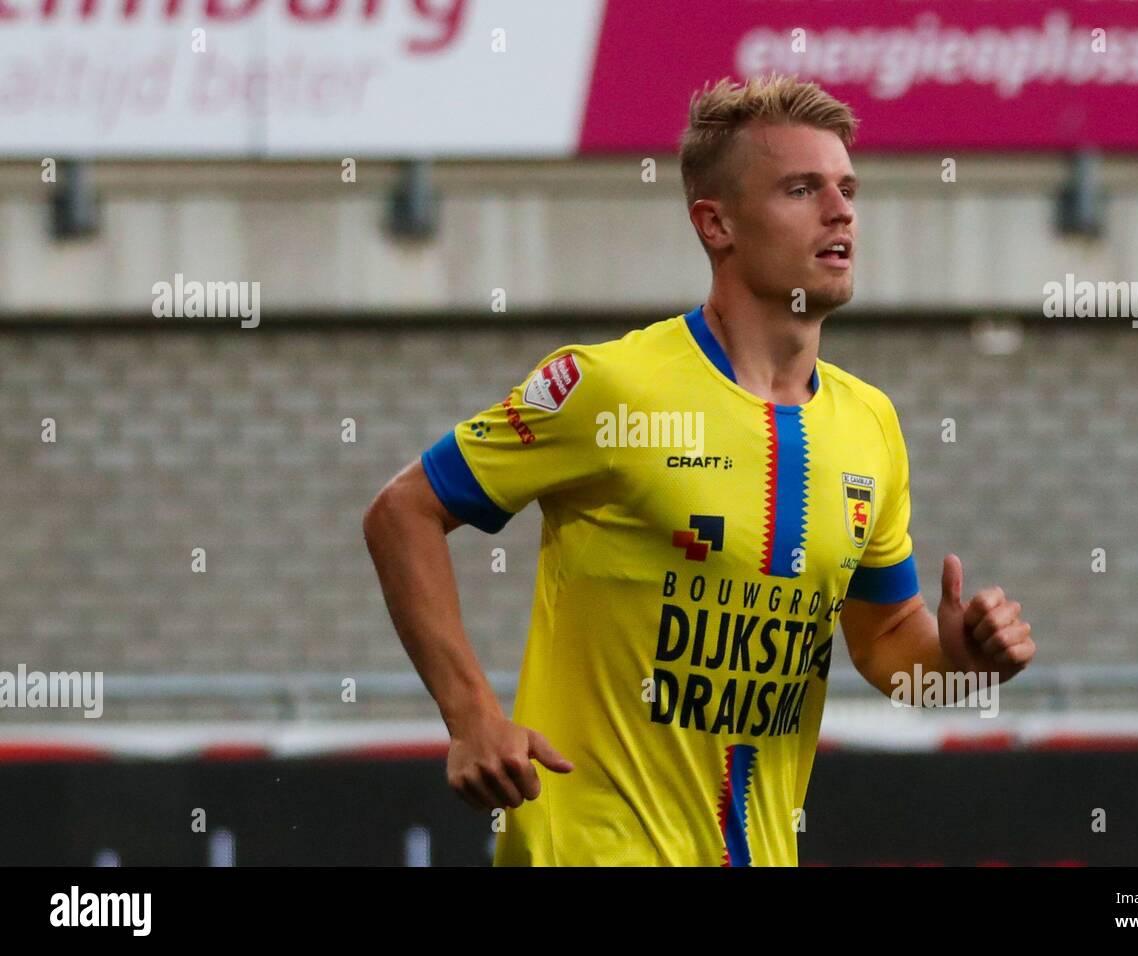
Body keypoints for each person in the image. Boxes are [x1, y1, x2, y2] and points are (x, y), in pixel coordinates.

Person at [363, 74, 1035, 866]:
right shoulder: (611, 388)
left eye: (847, 188)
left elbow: (887, 644)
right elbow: (403, 511)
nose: (840, 210)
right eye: (801, 188)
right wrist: (472, 715)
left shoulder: (869, 424)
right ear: (716, 224)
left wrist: (960, 668)